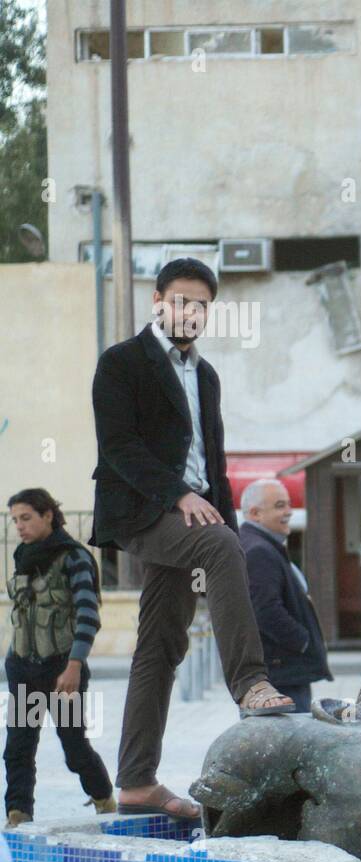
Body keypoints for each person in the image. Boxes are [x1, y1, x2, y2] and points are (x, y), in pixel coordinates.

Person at [90, 257, 295, 821]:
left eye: (201, 304)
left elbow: (216, 463)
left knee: (161, 644)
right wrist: (179, 495)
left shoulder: (205, 375)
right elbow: (119, 448)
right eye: (180, 300)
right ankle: (250, 683)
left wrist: (225, 518)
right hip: (143, 509)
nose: (190, 312)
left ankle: (134, 781)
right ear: (158, 300)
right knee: (216, 546)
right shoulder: (122, 364)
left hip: (196, 512)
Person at [5, 489, 115, 827]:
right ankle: (18, 814)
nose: (19, 527)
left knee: (74, 748)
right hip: (24, 666)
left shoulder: (74, 557)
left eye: (26, 518)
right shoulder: (23, 556)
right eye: (14, 520)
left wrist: (74, 665)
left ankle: (104, 799)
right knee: (18, 748)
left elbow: (88, 615)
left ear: (48, 515)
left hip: (61, 667)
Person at [238, 479, 331, 713]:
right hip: (281, 676)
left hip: (281, 673)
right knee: (289, 747)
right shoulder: (259, 551)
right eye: (280, 505)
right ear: (255, 513)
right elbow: (265, 610)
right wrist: (303, 641)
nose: (289, 511)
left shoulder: (261, 545)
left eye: (289, 504)